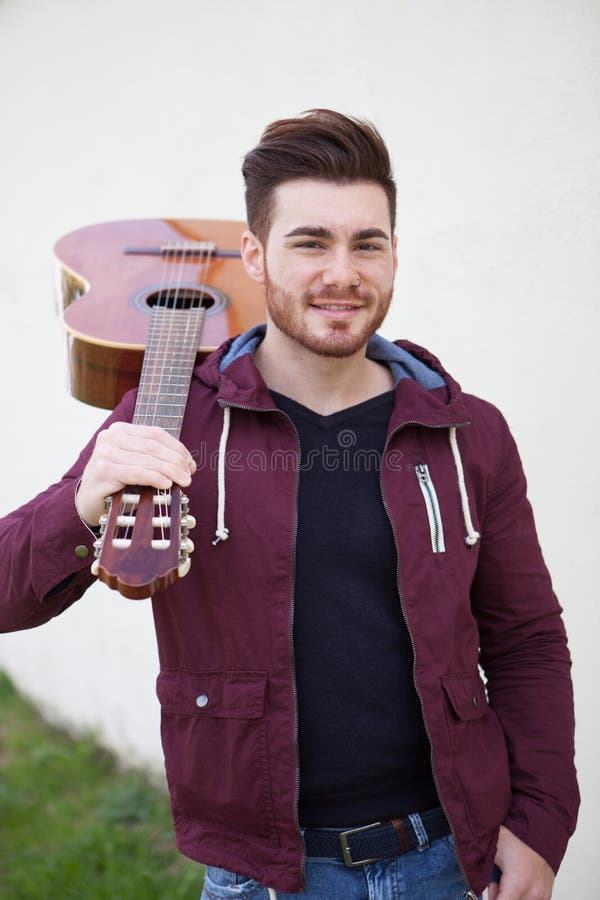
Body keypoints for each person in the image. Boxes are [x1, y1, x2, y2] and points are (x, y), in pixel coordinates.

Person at [0, 110, 578, 900]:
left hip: (448, 856)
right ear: (254, 256)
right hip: (265, 877)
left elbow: (528, 641)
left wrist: (541, 823)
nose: (342, 272)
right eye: (310, 242)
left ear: (394, 255)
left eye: (366, 243)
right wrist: (82, 503)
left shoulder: (467, 431)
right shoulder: (171, 417)